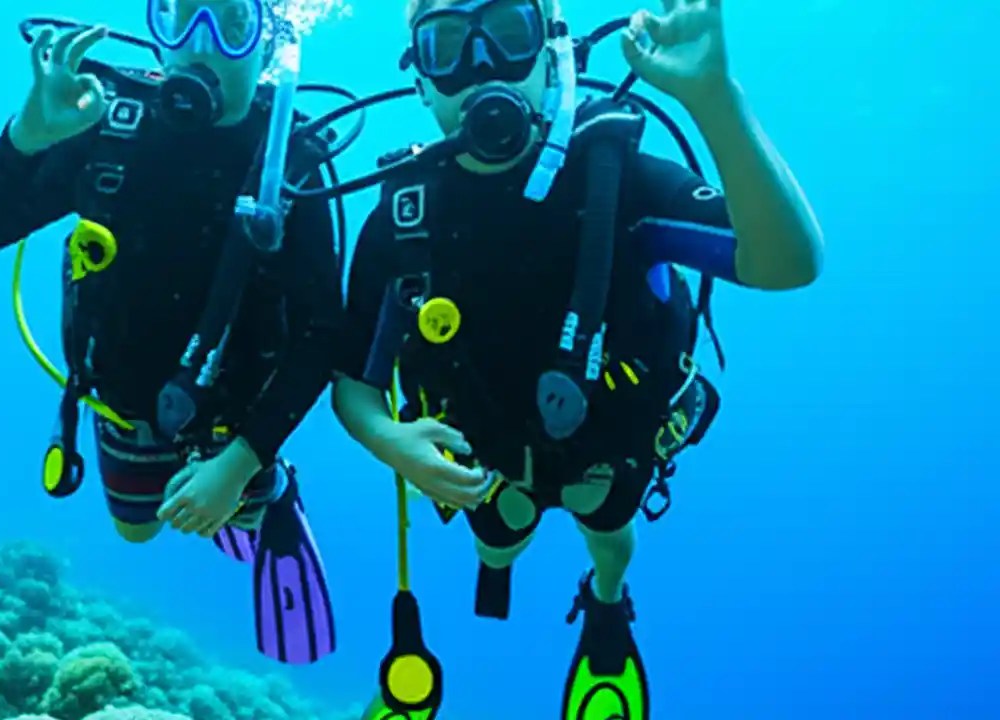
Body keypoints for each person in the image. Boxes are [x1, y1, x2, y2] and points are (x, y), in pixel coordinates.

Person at [331, 0, 823, 713]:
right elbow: (354, 383)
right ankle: (499, 572)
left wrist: (716, 101)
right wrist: (388, 439)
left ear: (552, 50)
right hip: (487, 453)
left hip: (609, 442)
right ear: (420, 80)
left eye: (507, 35)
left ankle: (607, 603)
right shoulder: (405, 217)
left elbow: (788, 263)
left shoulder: (618, 180)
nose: (480, 69)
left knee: (606, 530)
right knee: (500, 532)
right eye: (446, 47)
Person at [0, 0, 343, 665]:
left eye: (230, 22)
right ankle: (228, 493)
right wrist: (27, 135)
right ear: (154, 26)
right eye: (179, 15)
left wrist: (241, 463)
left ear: (268, 37)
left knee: (238, 508)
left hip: (234, 423)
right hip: (121, 400)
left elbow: (321, 337)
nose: (201, 43)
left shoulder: (291, 159)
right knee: (136, 532)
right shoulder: (108, 122)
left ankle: (271, 494)